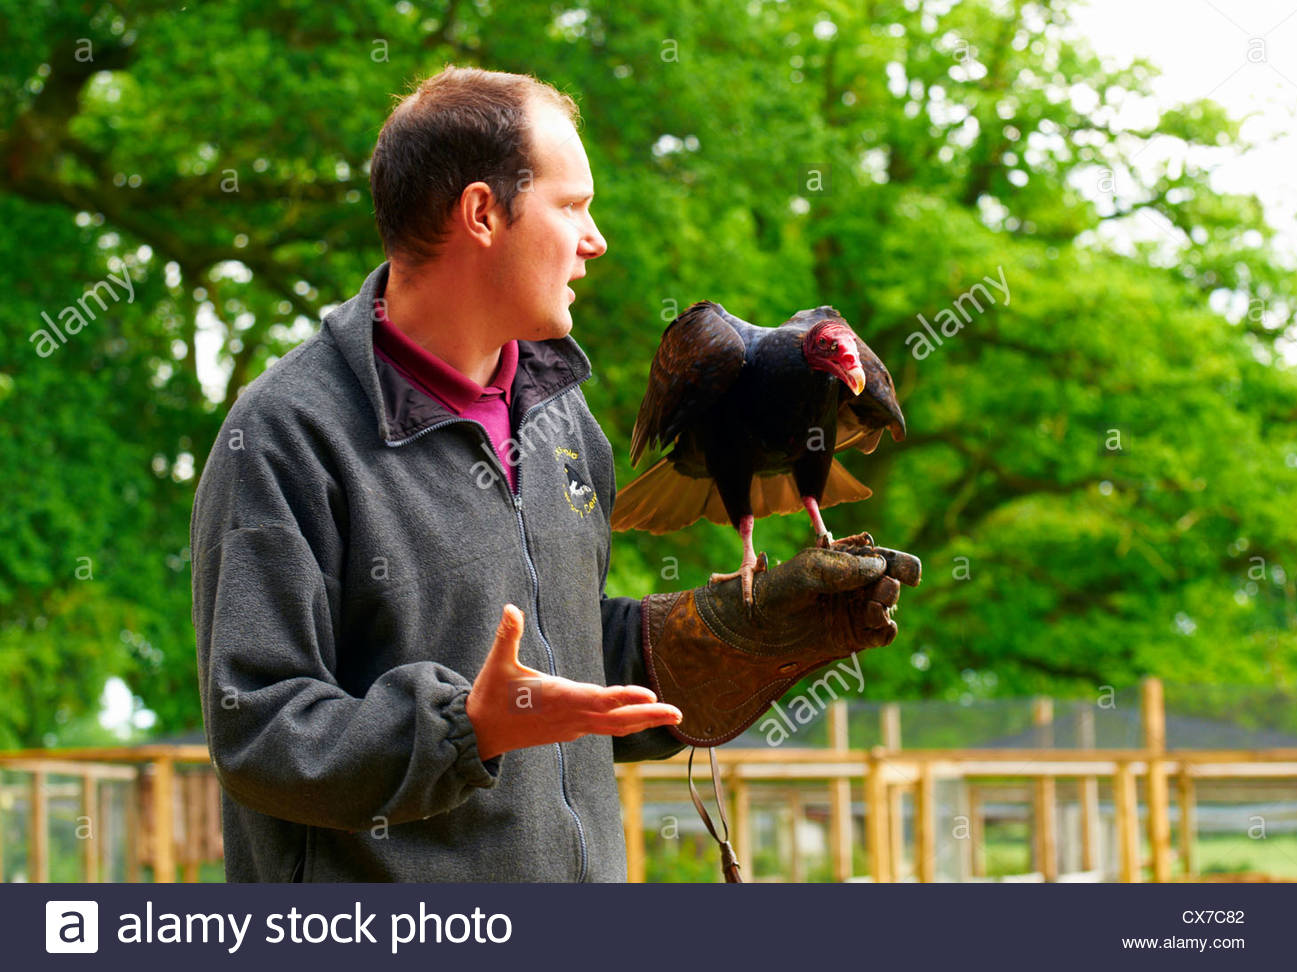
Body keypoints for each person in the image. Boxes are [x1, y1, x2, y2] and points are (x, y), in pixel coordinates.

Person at [191, 65, 908, 883]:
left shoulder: (563, 421)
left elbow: (553, 669)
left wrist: (719, 639)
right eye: (572, 207)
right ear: (483, 213)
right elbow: (259, 732)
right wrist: (467, 728)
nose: (595, 239)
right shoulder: (286, 431)